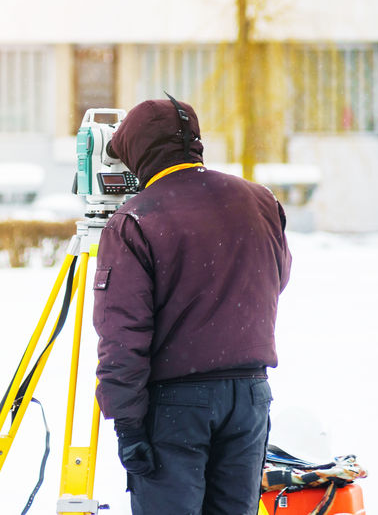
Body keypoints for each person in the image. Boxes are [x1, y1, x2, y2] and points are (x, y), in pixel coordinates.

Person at [92, 96, 292, 515]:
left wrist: (127, 424)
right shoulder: (261, 202)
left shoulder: (135, 220)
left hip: (176, 405)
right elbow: (276, 278)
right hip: (251, 399)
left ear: (138, 152)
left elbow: (122, 334)